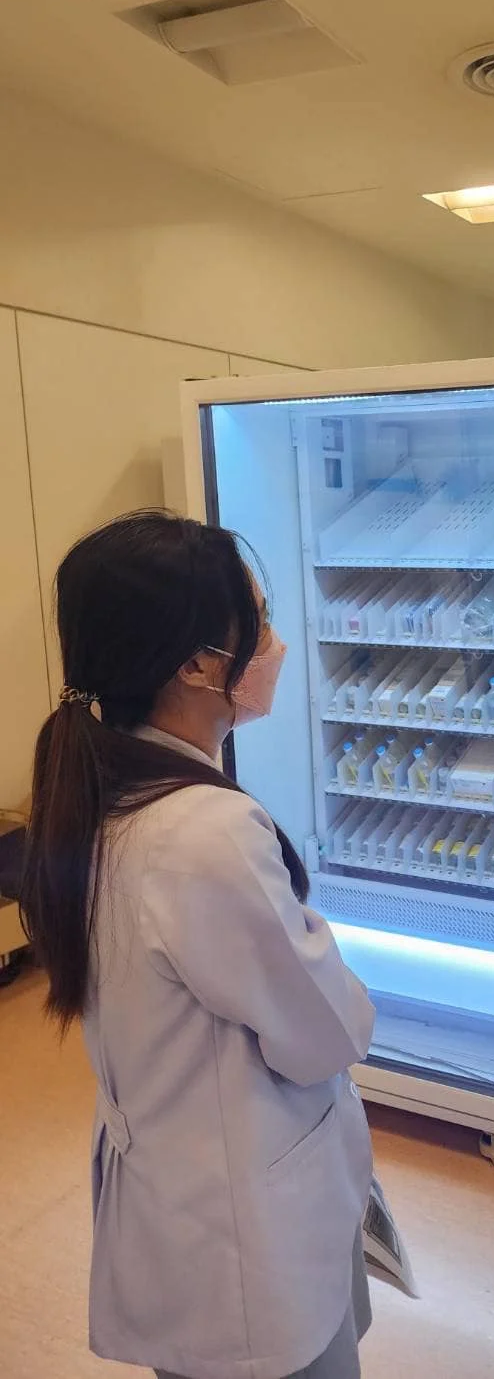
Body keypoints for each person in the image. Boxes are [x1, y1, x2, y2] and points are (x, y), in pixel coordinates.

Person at [20, 512, 376, 1379]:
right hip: (248, 1247)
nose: (275, 644)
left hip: (190, 1208)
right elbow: (328, 1031)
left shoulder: (102, 789)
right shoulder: (204, 834)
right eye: (255, 621)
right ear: (194, 664)